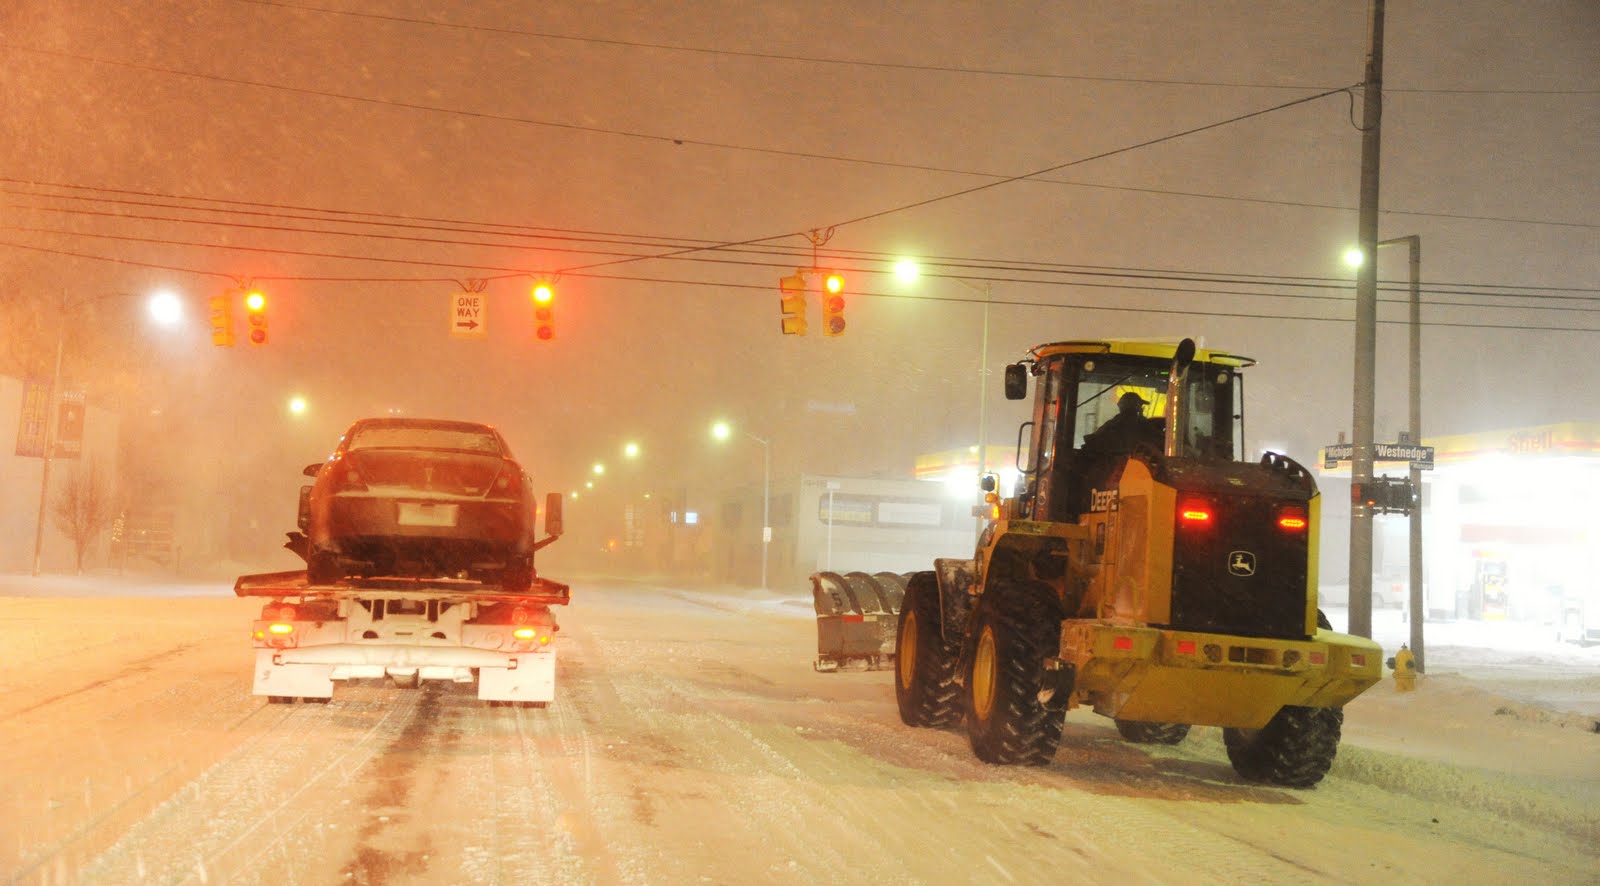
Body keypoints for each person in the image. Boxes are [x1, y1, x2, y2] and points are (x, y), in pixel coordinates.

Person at [1083, 391, 1163, 454]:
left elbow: (1093, 440)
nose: (1141, 408)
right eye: (1140, 405)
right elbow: (1159, 440)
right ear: (1136, 407)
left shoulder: (1113, 423)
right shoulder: (1142, 425)